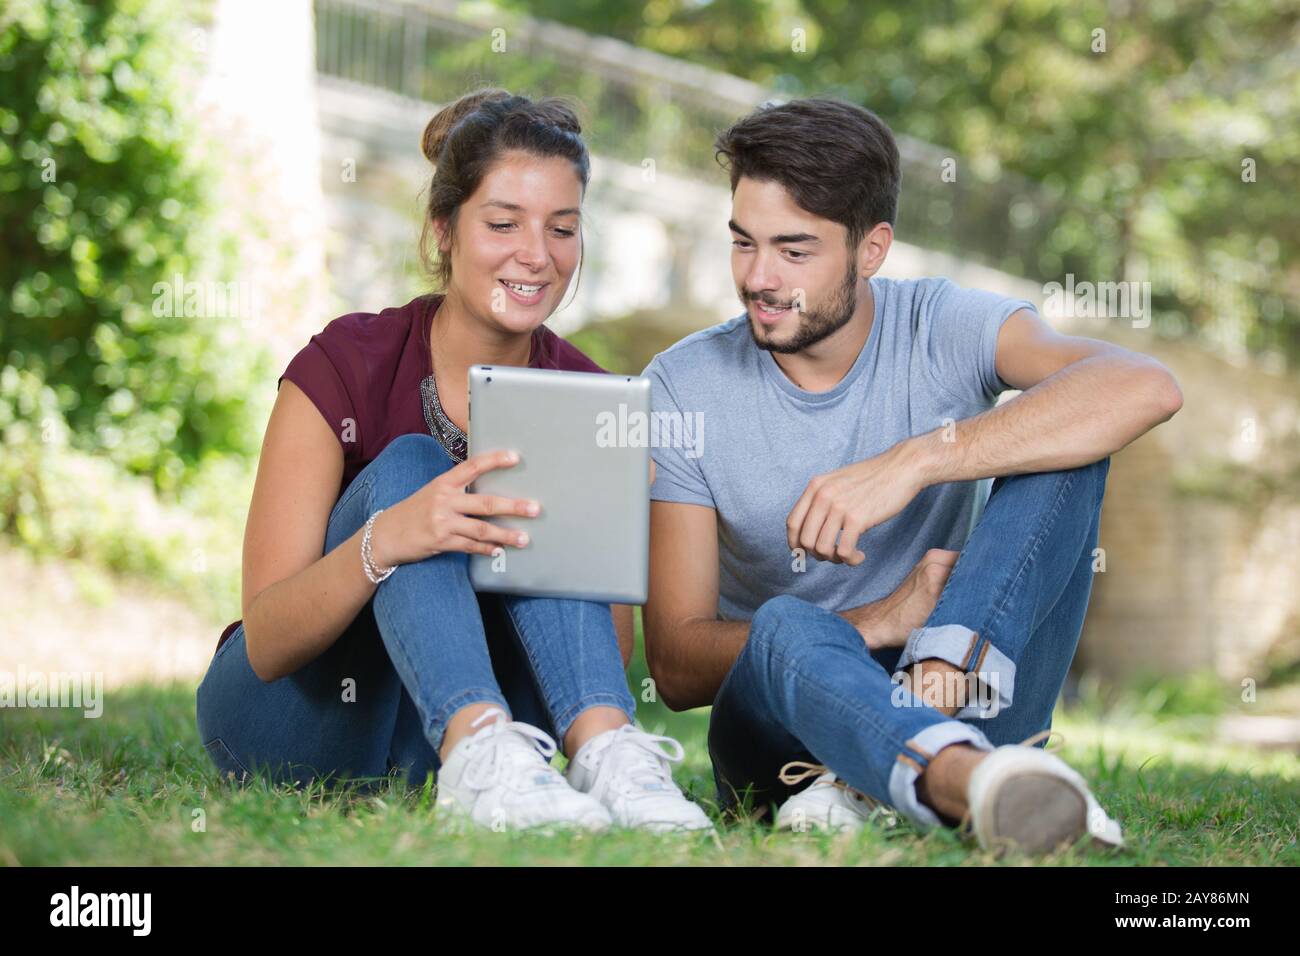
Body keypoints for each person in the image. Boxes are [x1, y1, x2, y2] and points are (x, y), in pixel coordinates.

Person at [641, 97, 1183, 853]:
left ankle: (928, 725)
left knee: (1072, 434)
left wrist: (919, 459)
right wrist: (877, 622)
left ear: (872, 249)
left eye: (795, 252)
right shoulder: (684, 384)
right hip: (785, 743)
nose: (759, 278)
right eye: (743, 243)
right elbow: (674, 666)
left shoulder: (940, 324)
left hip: (962, 685)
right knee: (789, 625)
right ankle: (960, 770)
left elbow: (1145, 386)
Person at [196, 88, 711, 834]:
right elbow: (269, 640)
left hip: (489, 746)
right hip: (303, 718)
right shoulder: (346, 363)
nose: (536, 255)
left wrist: (605, 523)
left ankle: (613, 770)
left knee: (548, 472)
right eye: (502, 223)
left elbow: (600, 663)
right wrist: (389, 541)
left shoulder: (591, 396)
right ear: (444, 229)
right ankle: (474, 752)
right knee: (412, 464)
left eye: (562, 228)